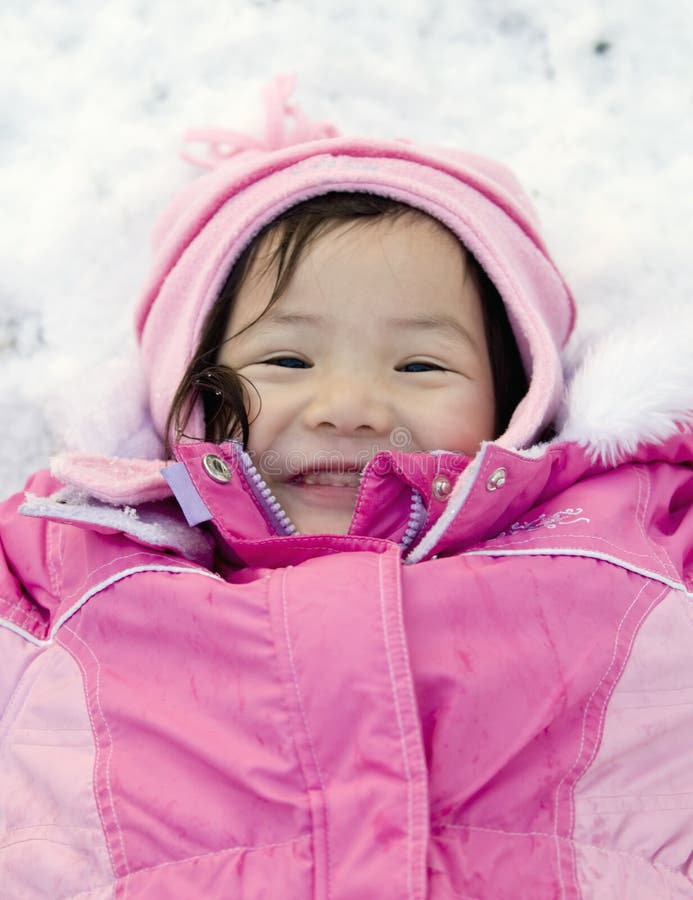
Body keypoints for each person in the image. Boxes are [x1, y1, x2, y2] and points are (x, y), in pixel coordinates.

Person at [1, 76, 691, 899]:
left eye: (421, 365)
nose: (351, 410)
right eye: (288, 359)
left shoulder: (636, 536)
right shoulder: (68, 570)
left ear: (517, 401)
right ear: (184, 392)